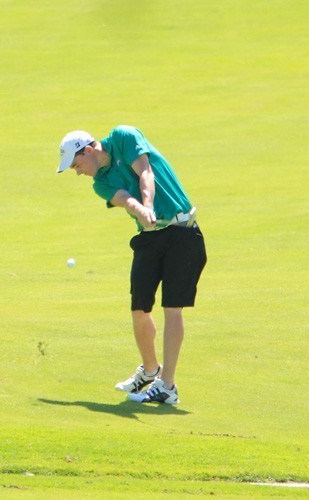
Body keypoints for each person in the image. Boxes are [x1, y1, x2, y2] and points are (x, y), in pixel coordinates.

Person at [56, 126, 206, 405]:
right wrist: (140, 210)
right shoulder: (100, 183)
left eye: (77, 165)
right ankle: (151, 370)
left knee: (172, 308)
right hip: (149, 239)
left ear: (88, 150)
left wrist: (148, 203)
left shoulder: (124, 137)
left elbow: (145, 172)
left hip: (182, 232)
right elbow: (124, 199)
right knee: (139, 308)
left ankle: (168, 386)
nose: (78, 172)